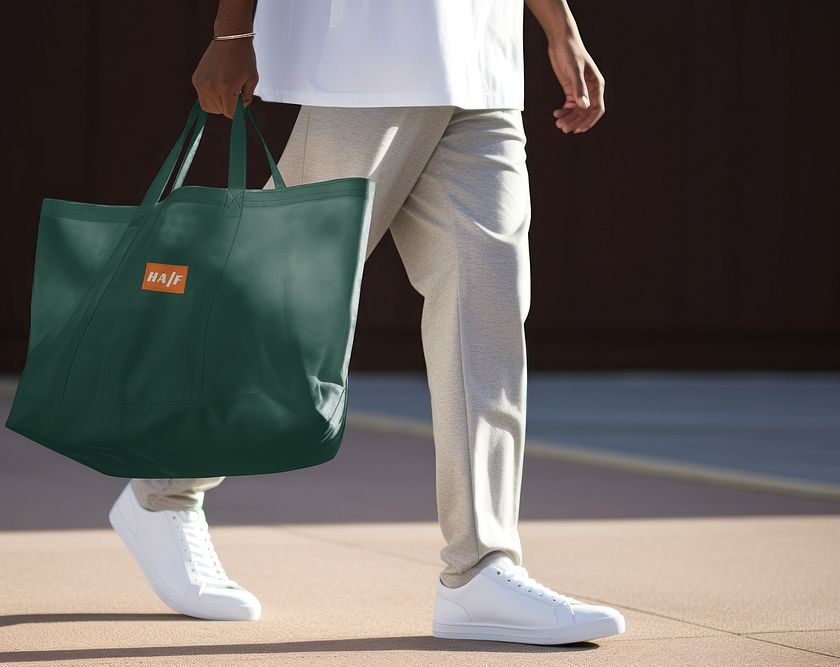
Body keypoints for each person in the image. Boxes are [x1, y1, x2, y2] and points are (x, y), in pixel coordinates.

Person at [107, 0, 624, 645]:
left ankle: (482, 569)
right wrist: (233, 27)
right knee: (285, 298)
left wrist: (561, 28)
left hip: (481, 61)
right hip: (375, 54)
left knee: (487, 312)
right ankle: (165, 490)